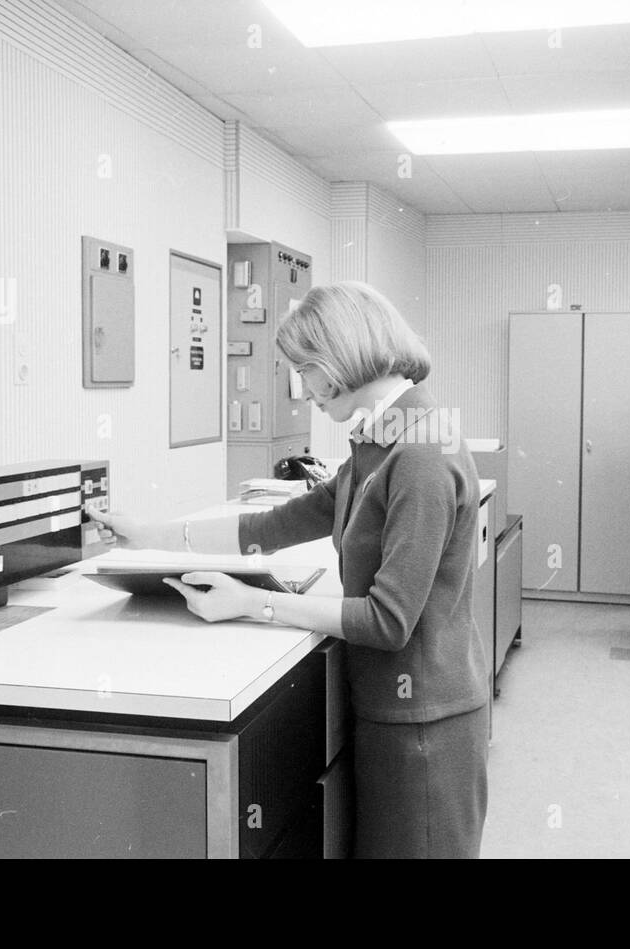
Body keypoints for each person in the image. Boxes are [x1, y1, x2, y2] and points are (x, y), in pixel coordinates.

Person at [91, 280, 490, 858]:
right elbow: (268, 528)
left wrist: (253, 603)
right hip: (388, 708)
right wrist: (146, 536)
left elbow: (389, 620)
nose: (302, 391)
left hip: (424, 723)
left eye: (305, 370)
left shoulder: (422, 453)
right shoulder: (379, 439)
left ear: (339, 359)